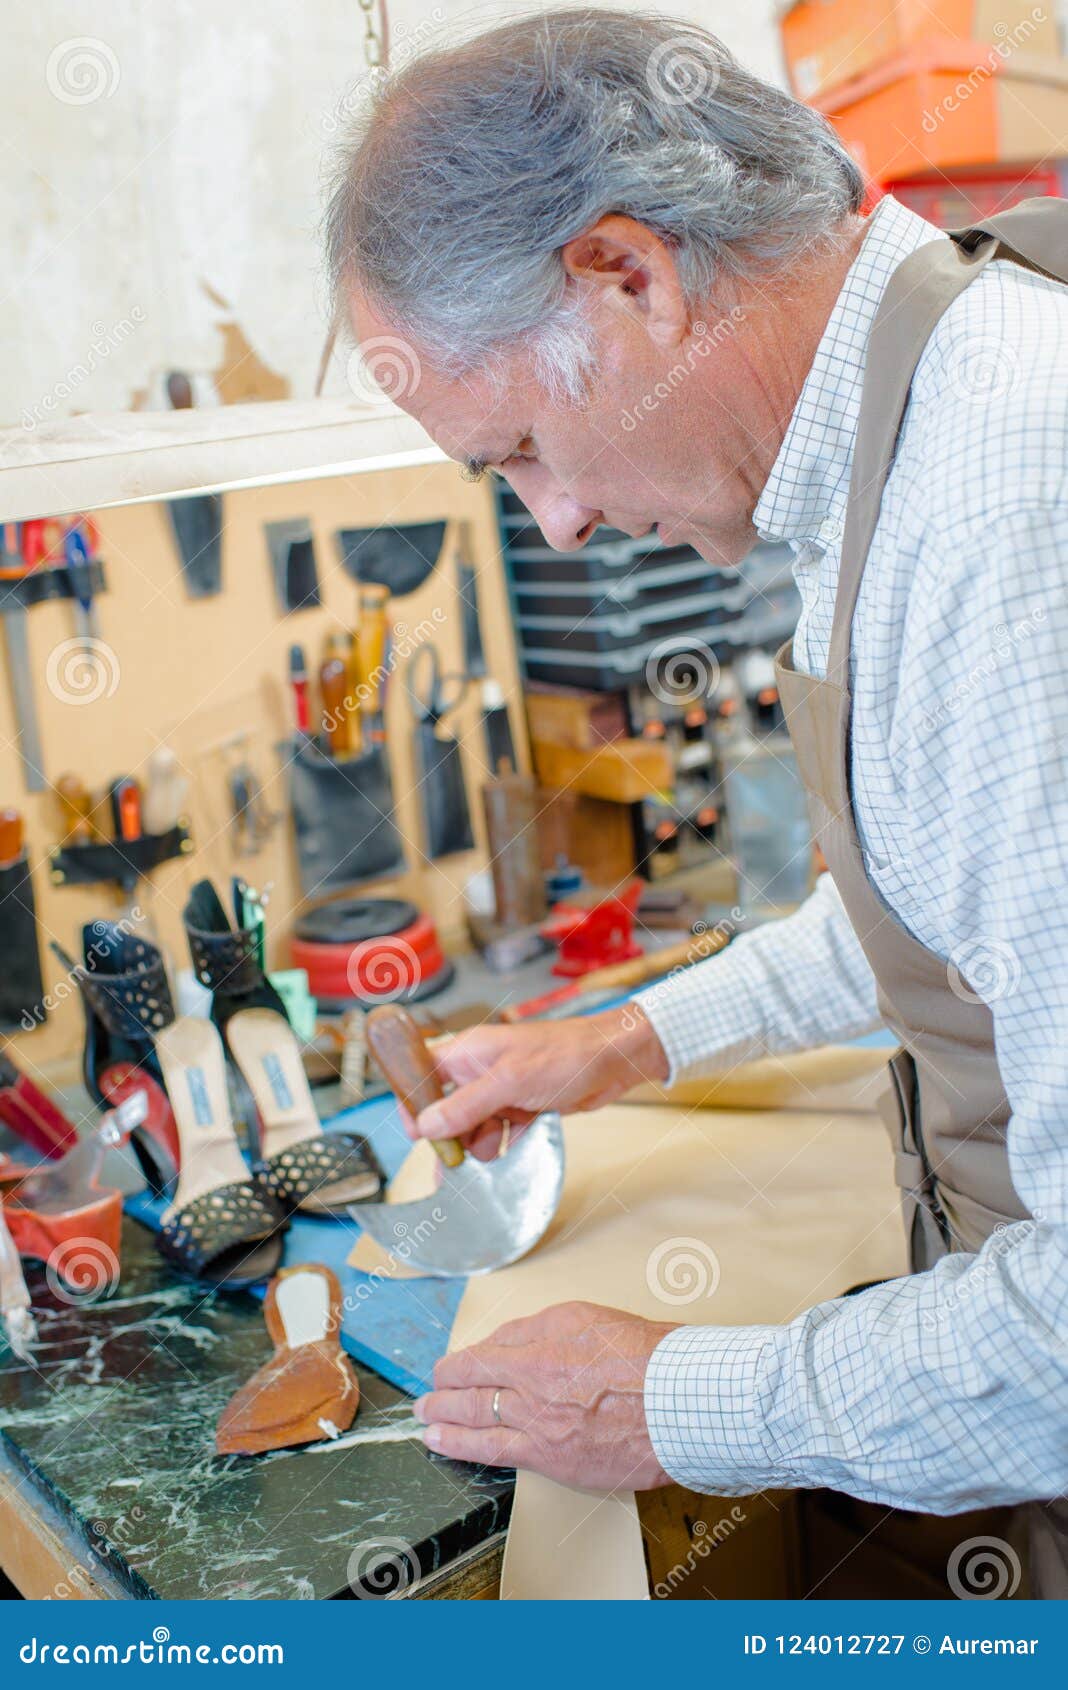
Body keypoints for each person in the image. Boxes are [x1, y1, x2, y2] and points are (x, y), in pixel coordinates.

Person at [324, 10, 1068, 1591]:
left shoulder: (1000, 509)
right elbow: (938, 891)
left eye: (522, 446)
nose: (565, 521)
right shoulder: (932, 391)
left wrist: (672, 1398)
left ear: (627, 275)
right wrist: (619, 1041)